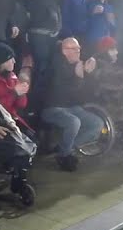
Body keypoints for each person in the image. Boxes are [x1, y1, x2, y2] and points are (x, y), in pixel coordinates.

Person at [38, 37, 104, 171]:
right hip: (53, 108)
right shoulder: (56, 64)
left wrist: (87, 75)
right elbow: (63, 87)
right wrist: (79, 76)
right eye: (74, 49)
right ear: (64, 51)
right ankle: (64, 155)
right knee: (74, 122)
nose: (78, 51)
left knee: (97, 123)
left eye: (79, 48)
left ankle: (64, 147)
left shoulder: (77, 65)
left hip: (73, 107)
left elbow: (82, 95)